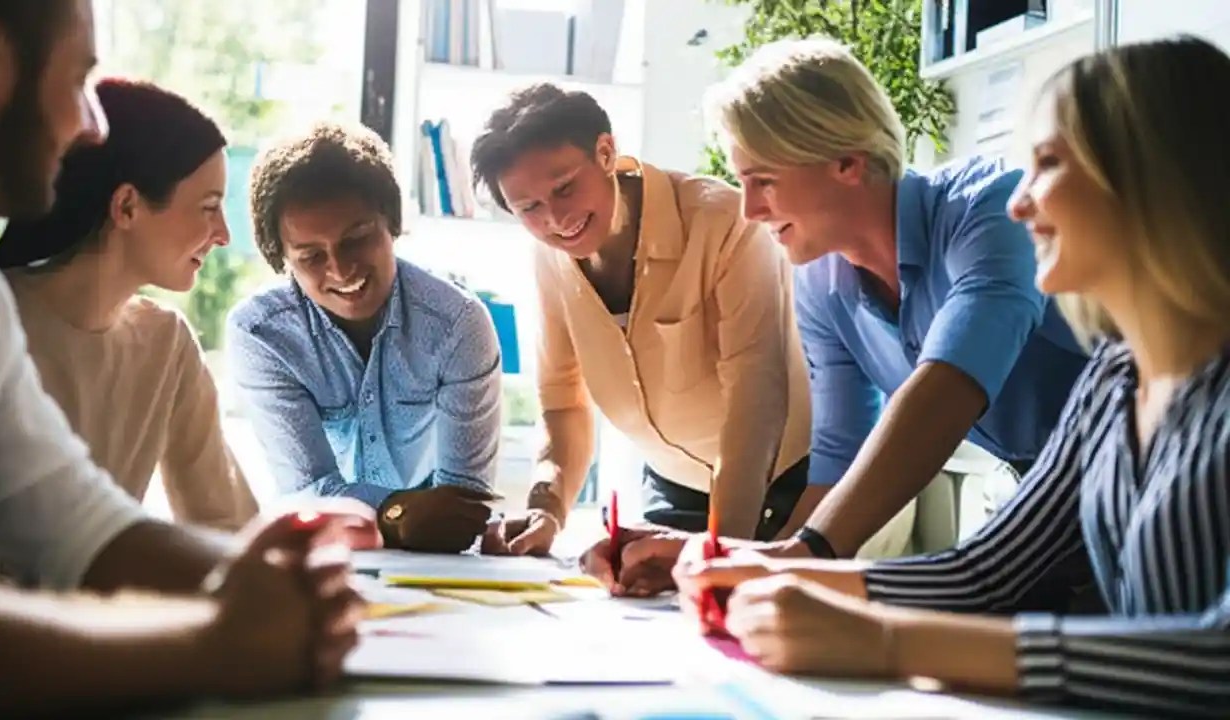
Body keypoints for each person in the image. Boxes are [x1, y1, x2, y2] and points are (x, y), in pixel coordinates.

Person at [675, 35, 1230, 719]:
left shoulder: (981, 210)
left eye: (1048, 165)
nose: (1021, 204)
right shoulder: (1112, 385)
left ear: (1152, 176)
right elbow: (984, 572)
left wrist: (883, 639)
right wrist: (767, 568)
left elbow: (1218, 655)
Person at [0, 2, 367, 714]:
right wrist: (210, 643)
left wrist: (286, 586)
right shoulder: (0, 304)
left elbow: (85, 528)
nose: (92, 127)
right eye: (79, 81)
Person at [583, 36, 1090, 591]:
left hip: (1139, 473)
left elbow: (947, 387)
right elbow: (836, 462)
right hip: (1052, 492)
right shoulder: (822, 284)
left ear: (847, 162)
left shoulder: (989, 211)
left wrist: (795, 557)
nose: (750, 211)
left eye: (764, 181)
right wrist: (727, 564)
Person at [470, 83, 815, 562]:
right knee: (625, 587)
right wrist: (545, 507)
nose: (557, 218)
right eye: (530, 208)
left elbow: (756, 400)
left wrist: (719, 552)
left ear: (605, 152)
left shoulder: (724, 222)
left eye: (565, 188)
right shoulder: (549, 259)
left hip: (784, 482)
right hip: (674, 486)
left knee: (731, 602)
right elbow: (563, 403)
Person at [0, 77, 256, 543]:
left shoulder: (167, 345)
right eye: (209, 207)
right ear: (127, 206)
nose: (224, 234)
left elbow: (225, 524)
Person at [227, 121, 502, 554]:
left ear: (391, 223)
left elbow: (463, 507)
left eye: (356, 239)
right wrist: (397, 513)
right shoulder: (262, 335)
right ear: (283, 260)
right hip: (321, 551)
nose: (340, 270)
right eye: (311, 256)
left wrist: (412, 517)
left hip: (436, 561)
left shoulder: (459, 324)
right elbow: (306, 490)